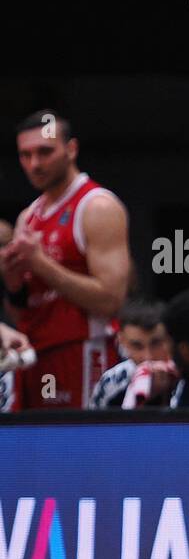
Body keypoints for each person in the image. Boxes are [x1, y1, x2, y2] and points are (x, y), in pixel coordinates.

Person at [0, 111, 130, 409]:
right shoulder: (28, 218)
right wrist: (13, 284)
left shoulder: (97, 206)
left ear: (71, 149)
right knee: (37, 453)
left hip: (82, 351)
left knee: (82, 451)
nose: (35, 163)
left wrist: (41, 264)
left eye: (45, 151)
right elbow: (24, 315)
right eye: (25, 155)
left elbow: (112, 300)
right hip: (34, 355)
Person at [88, 297, 169, 409]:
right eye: (137, 346)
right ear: (121, 340)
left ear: (170, 339)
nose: (148, 356)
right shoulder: (111, 382)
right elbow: (95, 425)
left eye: (156, 343)